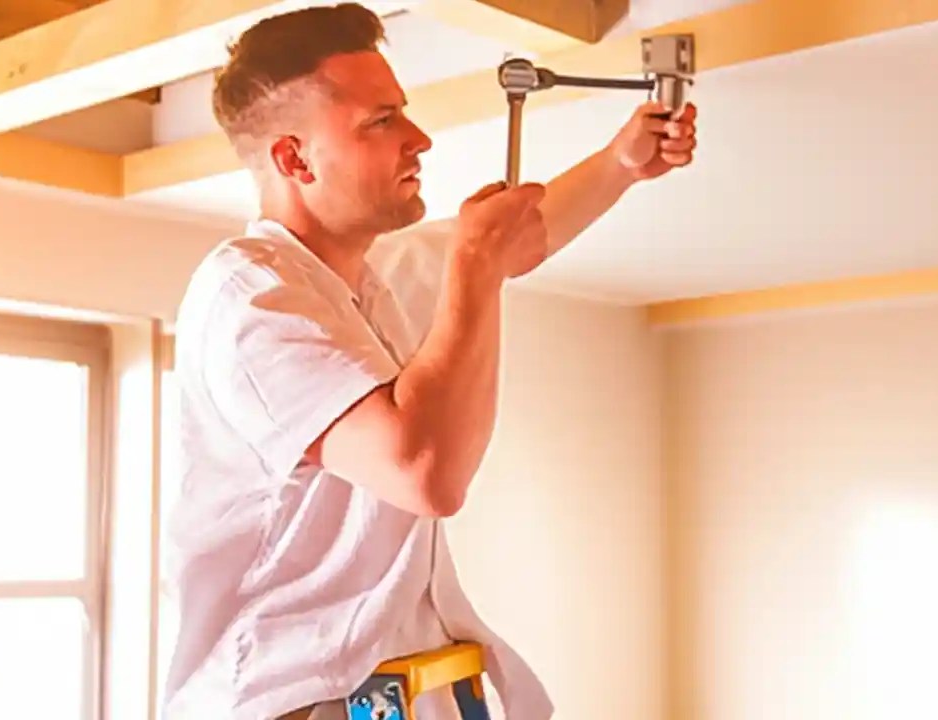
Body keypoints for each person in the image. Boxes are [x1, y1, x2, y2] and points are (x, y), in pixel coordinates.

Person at [160, 4, 697, 719]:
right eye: (381, 121)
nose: (420, 138)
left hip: (397, 692)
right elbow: (424, 472)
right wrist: (474, 266)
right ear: (294, 158)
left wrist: (620, 165)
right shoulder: (252, 298)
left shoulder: (370, 276)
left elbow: (522, 237)